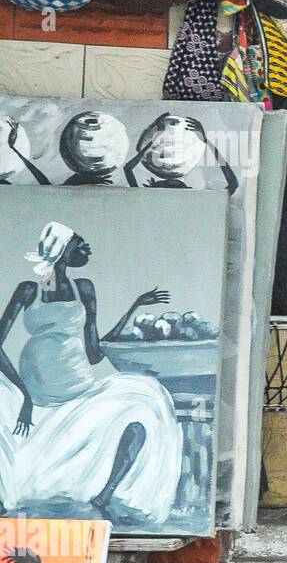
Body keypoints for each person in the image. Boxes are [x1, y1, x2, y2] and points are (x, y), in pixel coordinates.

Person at [0, 222, 183, 523]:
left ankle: (104, 496)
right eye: (79, 243)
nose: (86, 249)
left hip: (79, 387)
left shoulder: (84, 288)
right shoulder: (28, 290)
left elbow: (95, 353)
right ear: (61, 250)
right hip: (33, 390)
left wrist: (133, 307)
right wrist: (23, 395)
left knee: (144, 399)